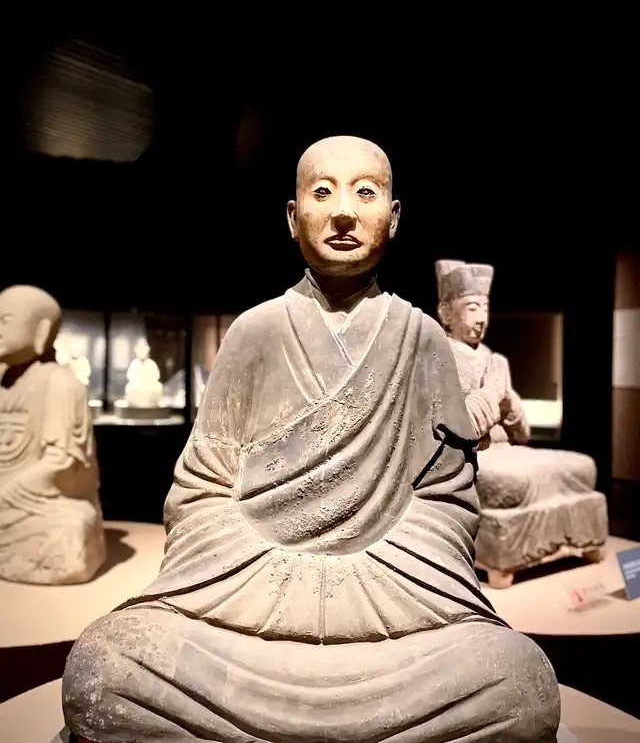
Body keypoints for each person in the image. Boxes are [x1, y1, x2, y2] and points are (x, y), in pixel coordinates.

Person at [57, 137, 567, 742]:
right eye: (323, 192)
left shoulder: (422, 340)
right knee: (103, 669)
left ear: (393, 218)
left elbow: (447, 502)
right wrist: (287, 579)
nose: (344, 211)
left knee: (522, 685)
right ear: (292, 217)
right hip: (250, 603)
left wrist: (353, 584)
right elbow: (201, 492)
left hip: (392, 606)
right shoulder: (254, 332)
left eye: (365, 193)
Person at [436, 260, 608, 587]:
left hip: (505, 448)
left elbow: (521, 435)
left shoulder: (493, 359)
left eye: (485, 308)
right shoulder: (437, 357)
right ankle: (499, 561)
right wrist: (490, 395)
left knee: (582, 468)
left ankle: (583, 541)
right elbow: (454, 430)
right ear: (446, 313)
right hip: (467, 455)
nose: (482, 318)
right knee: (514, 482)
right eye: (472, 308)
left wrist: (511, 406)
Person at [0, 285, 105, 585]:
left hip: (39, 500)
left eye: (5, 321)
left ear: (42, 330)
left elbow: (60, 464)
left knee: (69, 528)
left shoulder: (61, 385)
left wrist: (6, 494)